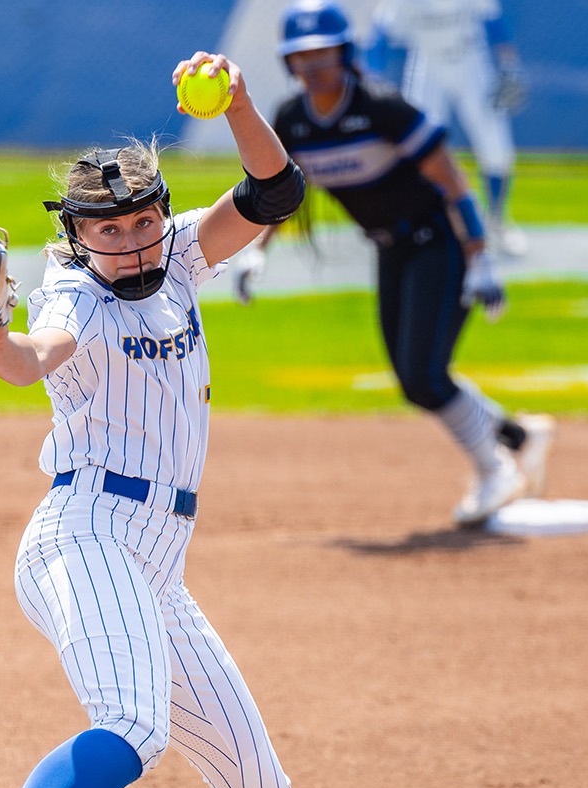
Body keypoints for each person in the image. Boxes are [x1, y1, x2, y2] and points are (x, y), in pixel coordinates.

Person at [0, 51, 305, 788]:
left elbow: (276, 188)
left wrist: (242, 101)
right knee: (132, 723)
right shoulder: (73, 298)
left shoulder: (180, 260)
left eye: (140, 222)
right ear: (77, 236)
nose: (130, 244)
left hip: (156, 565)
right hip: (84, 535)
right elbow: (27, 361)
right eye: (108, 230)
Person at [238, 0, 551, 527]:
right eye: (302, 57)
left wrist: (480, 260)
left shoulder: (383, 106)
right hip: (391, 249)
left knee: (424, 376)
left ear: (345, 53)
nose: (314, 67)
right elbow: (283, 193)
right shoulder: (293, 120)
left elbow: (453, 182)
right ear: (288, 63)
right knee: (414, 380)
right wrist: (255, 251)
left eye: (324, 54)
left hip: (440, 241)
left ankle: (495, 468)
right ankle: (521, 437)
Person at [369, 0, 530, 256]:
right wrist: (371, 78)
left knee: (495, 144)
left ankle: (498, 222)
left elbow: (493, 20)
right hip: (427, 64)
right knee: (415, 144)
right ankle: (418, 222)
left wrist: (509, 62)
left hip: (471, 60)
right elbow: (380, 33)